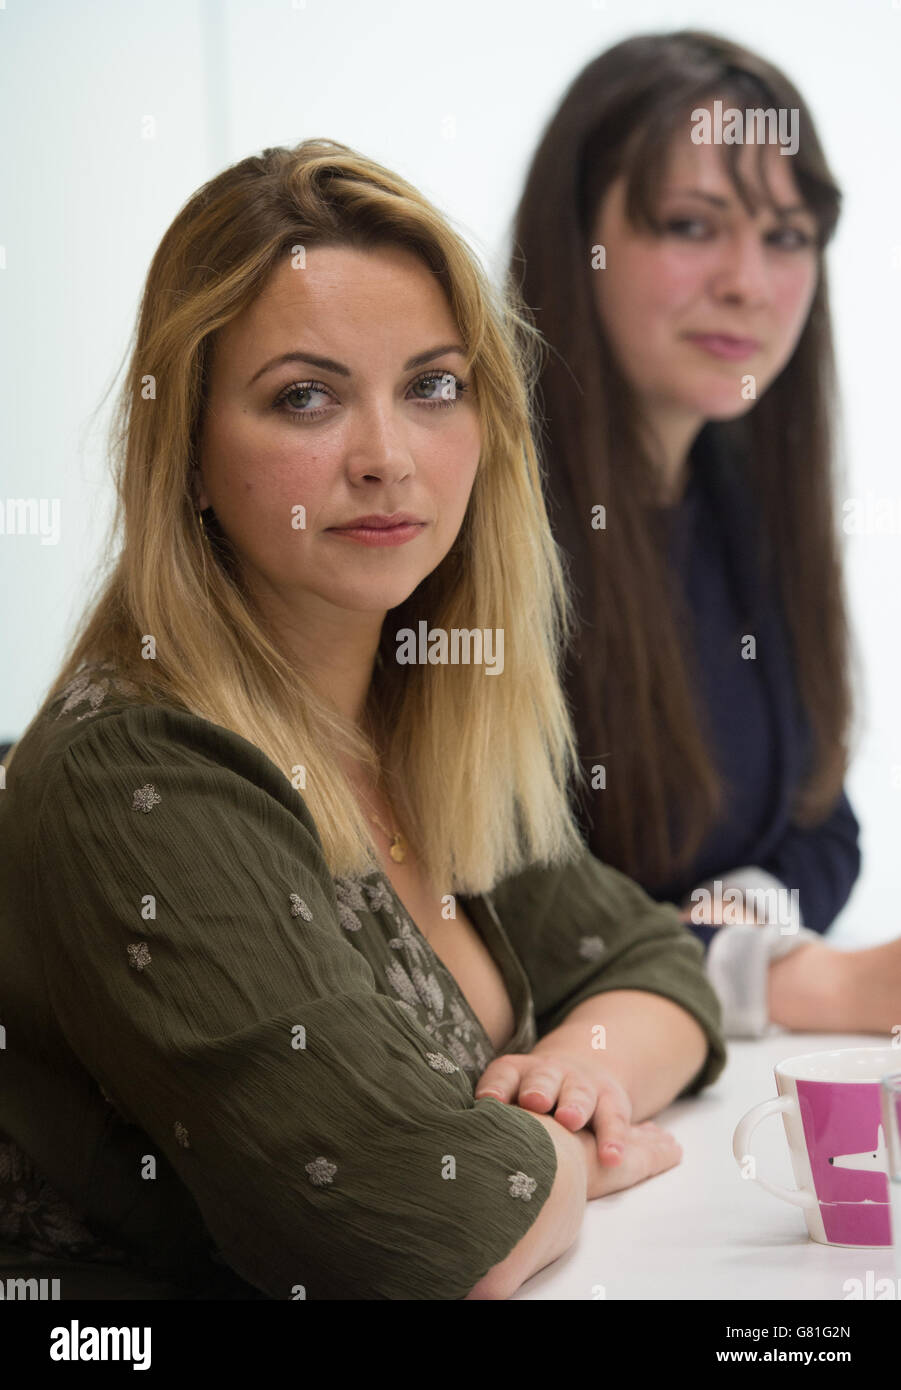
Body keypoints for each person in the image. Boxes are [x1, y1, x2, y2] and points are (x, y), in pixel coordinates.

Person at [0, 139, 726, 1301]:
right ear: (185, 450)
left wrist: (575, 1073)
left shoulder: (414, 708)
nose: (387, 458)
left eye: (432, 386)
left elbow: (647, 959)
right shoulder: (132, 774)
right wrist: (576, 1150)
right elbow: (424, 1234)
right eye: (306, 397)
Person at [509, 30, 895, 1039]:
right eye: (691, 225)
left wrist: (741, 935)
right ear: (573, 239)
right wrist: (774, 976)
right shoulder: (472, 529)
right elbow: (488, 915)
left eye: (786, 236)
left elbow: (822, 828)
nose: (748, 283)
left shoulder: (748, 495)